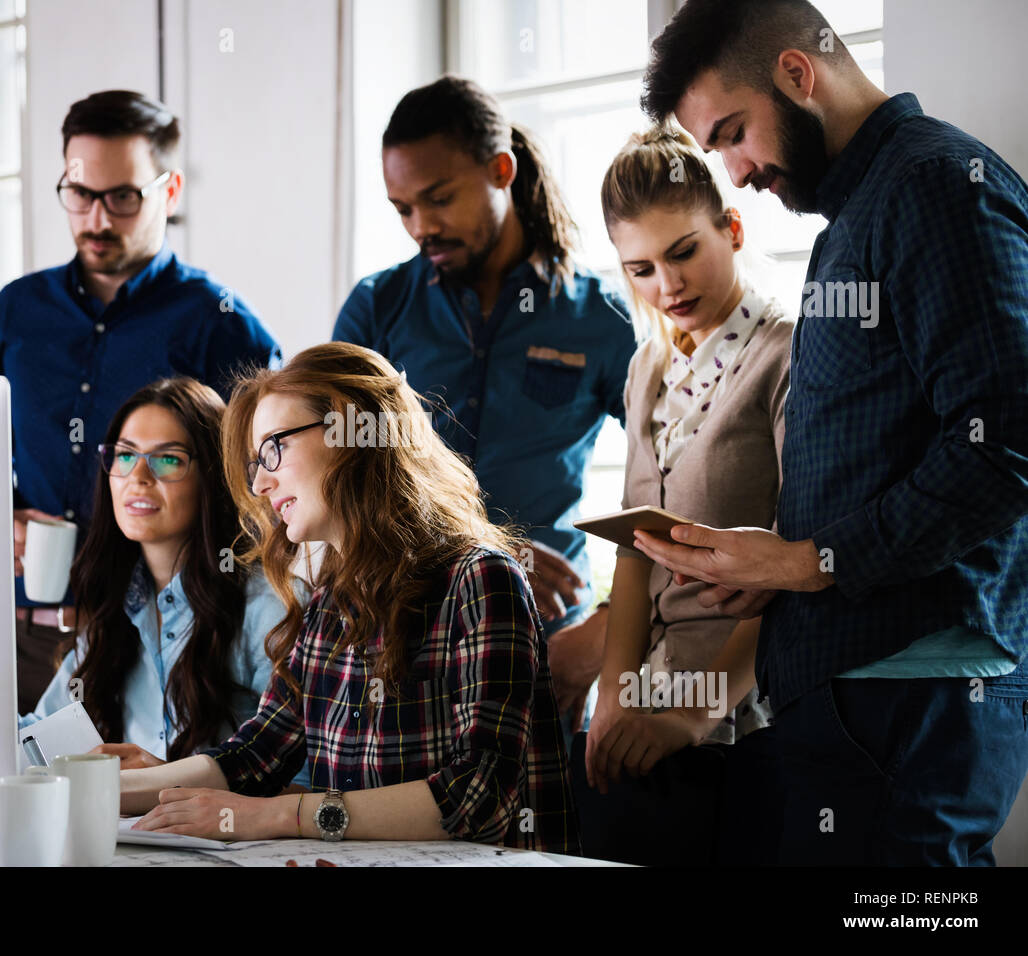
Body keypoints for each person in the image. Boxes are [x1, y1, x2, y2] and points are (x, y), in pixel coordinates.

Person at [634, 0, 1028, 865]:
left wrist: (810, 563)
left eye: (734, 134)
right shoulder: (859, 215)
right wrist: (781, 565)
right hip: (863, 706)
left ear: (797, 74)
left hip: (910, 697)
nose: (735, 173)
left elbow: (1006, 443)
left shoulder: (931, 188)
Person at [116, 343, 577, 853]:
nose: (262, 482)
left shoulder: (481, 578)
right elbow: (255, 753)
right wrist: (98, 791)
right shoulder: (329, 602)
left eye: (275, 448)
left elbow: (477, 797)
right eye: (255, 463)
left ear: (351, 433)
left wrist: (273, 815)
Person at [333, 77, 638, 716]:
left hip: (546, 647)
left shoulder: (602, 319)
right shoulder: (377, 309)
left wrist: (610, 626)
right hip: (400, 636)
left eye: (439, 199)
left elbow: (676, 476)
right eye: (403, 209)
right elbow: (335, 479)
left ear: (502, 170)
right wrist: (485, 545)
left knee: (546, 816)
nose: (422, 227)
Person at [0, 90, 281, 712]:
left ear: (169, 192)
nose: (96, 219)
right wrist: (0, 515)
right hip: (17, 638)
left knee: (135, 808)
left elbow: (268, 484)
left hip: (158, 647)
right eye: (80, 194)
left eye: (122, 198)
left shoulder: (219, 322)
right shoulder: (14, 312)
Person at [559, 126, 791, 865]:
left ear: (733, 228)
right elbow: (636, 546)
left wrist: (691, 711)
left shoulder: (788, 351)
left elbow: (797, 566)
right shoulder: (646, 365)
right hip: (649, 702)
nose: (667, 286)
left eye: (684, 252)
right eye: (641, 268)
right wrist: (618, 698)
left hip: (742, 711)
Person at [20, 377, 307, 789]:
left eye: (168, 459)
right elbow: (35, 740)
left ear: (213, 474)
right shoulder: (120, 605)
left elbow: (315, 780)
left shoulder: (268, 606)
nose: (138, 476)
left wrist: (169, 781)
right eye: (124, 456)